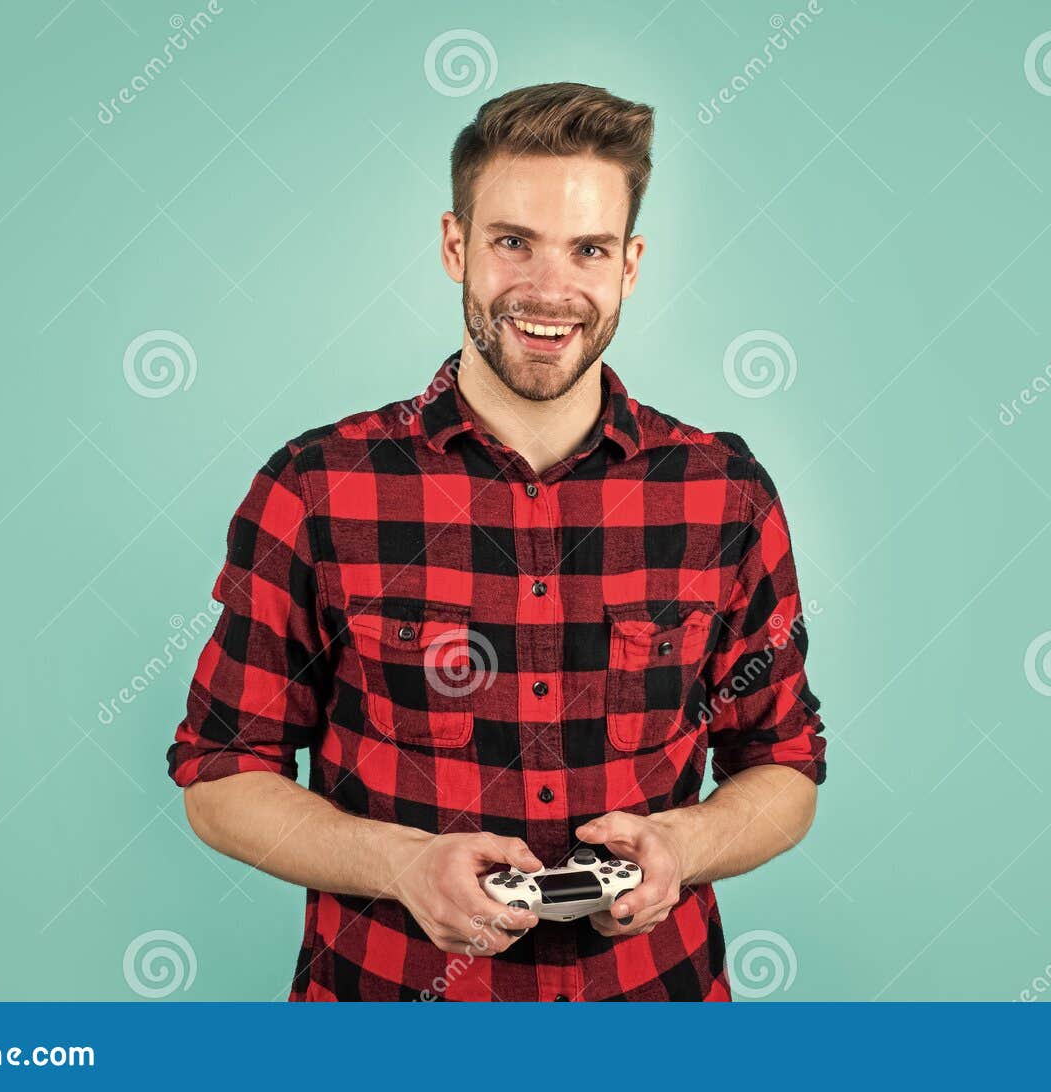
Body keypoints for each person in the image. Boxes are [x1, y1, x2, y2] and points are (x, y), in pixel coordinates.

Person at [167, 82, 825, 1001]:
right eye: (513, 242)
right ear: (455, 247)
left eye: (588, 249)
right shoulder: (318, 486)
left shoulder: (724, 492)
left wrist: (685, 845)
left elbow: (784, 762)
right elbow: (221, 772)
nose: (550, 290)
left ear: (629, 265)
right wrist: (399, 863)